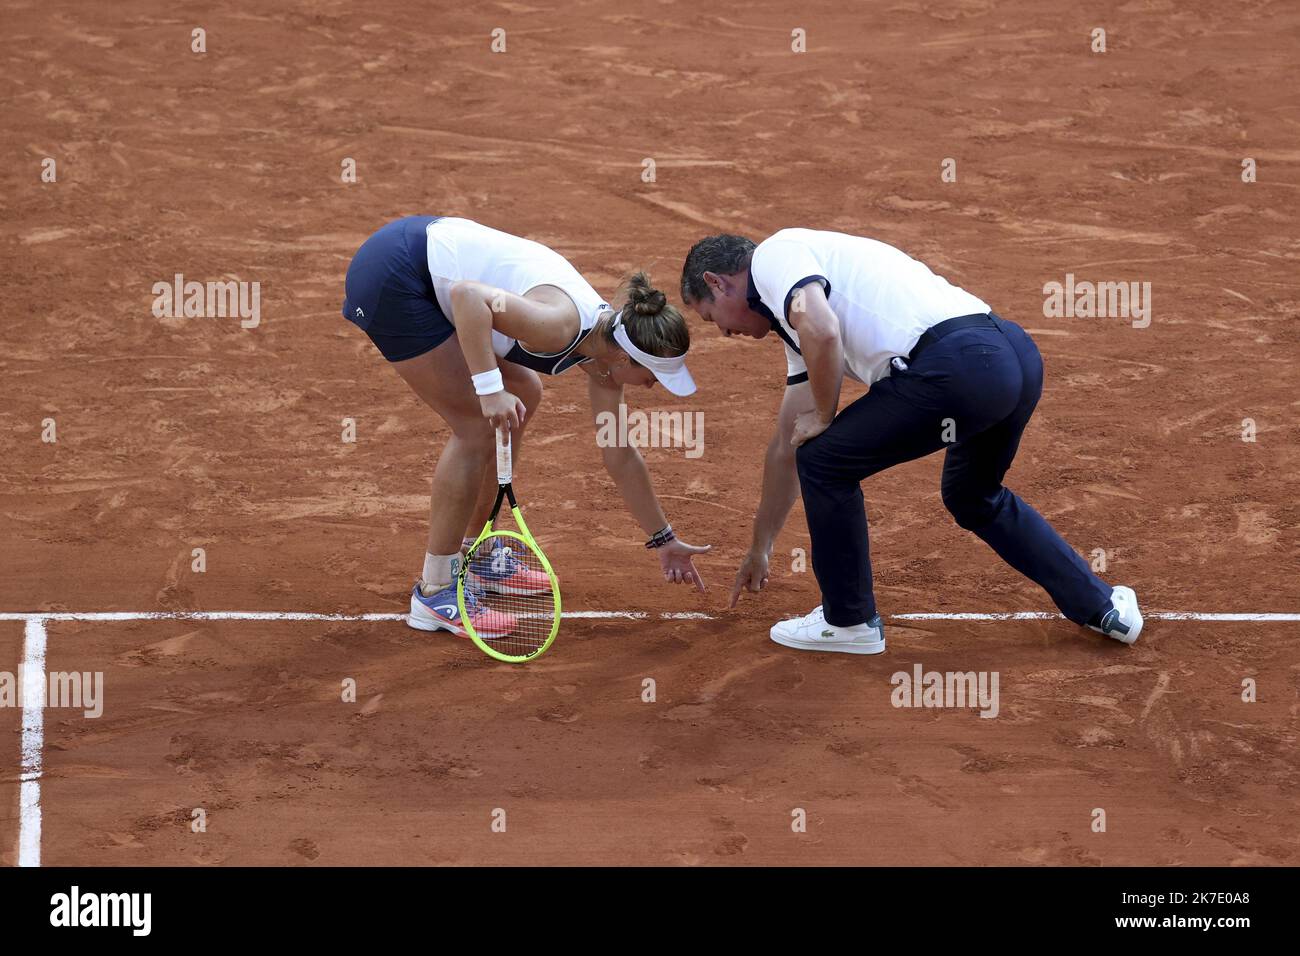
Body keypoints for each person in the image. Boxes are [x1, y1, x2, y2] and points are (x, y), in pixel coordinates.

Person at [679, 228, 1142, 655]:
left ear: (718, 283)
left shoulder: (775, 257)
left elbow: (823, 332)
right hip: (1011, 358)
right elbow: (786, 445)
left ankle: (849, 622)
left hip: (958, 367)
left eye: (710, 316)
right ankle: (1102, 607)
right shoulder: (794, 318)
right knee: (971, 495)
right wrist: (761, 546)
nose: (722, 331)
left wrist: (825, 414)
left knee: (825, 461)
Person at [342, 215, 710, 637]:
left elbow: (620, 455)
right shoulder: (559, 326)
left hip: (429, 269)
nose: (651, 386)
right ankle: (436, 590)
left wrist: (663, 540)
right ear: (627, 358)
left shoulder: (605, 357)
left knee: (524, 392)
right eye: (654, 376)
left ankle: (476, 553)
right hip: (396, 273)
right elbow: (467, 297)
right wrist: (487, 388)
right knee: (477, 425)